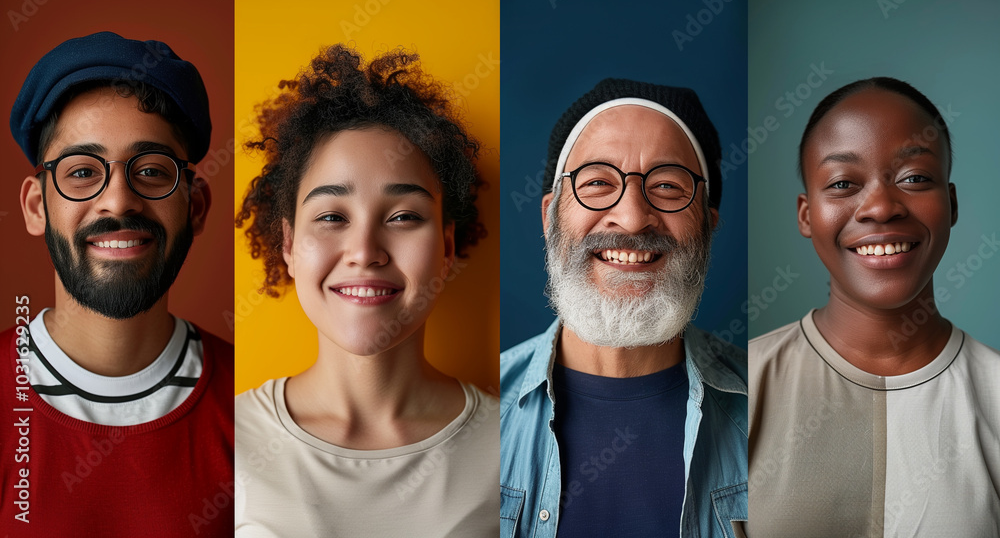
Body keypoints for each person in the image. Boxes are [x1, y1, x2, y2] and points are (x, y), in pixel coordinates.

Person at [234, 44, 500, 536]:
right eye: (332, 217)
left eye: (403, 217)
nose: (364, 250)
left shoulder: (516, 446)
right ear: (289, 245)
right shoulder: (225, 440)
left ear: (445, 247)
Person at [1, 32, 233, 535]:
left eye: (150, 170)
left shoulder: (253, 409)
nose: (118, 202)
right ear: (37, 207)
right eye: (83, 172)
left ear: (195, 207)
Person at [748, 77, 1000, 537]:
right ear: (807, 214)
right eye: (843, 183)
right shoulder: (738, 389)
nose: (881, 207)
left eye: (915, 178)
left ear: (952, 202)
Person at [500, 79, 748, 538]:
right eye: (597, 182)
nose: (632, 218)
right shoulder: (479, 418)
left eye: (669, 187)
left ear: (708, 227)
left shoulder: (771, 411)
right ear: (550, 216)